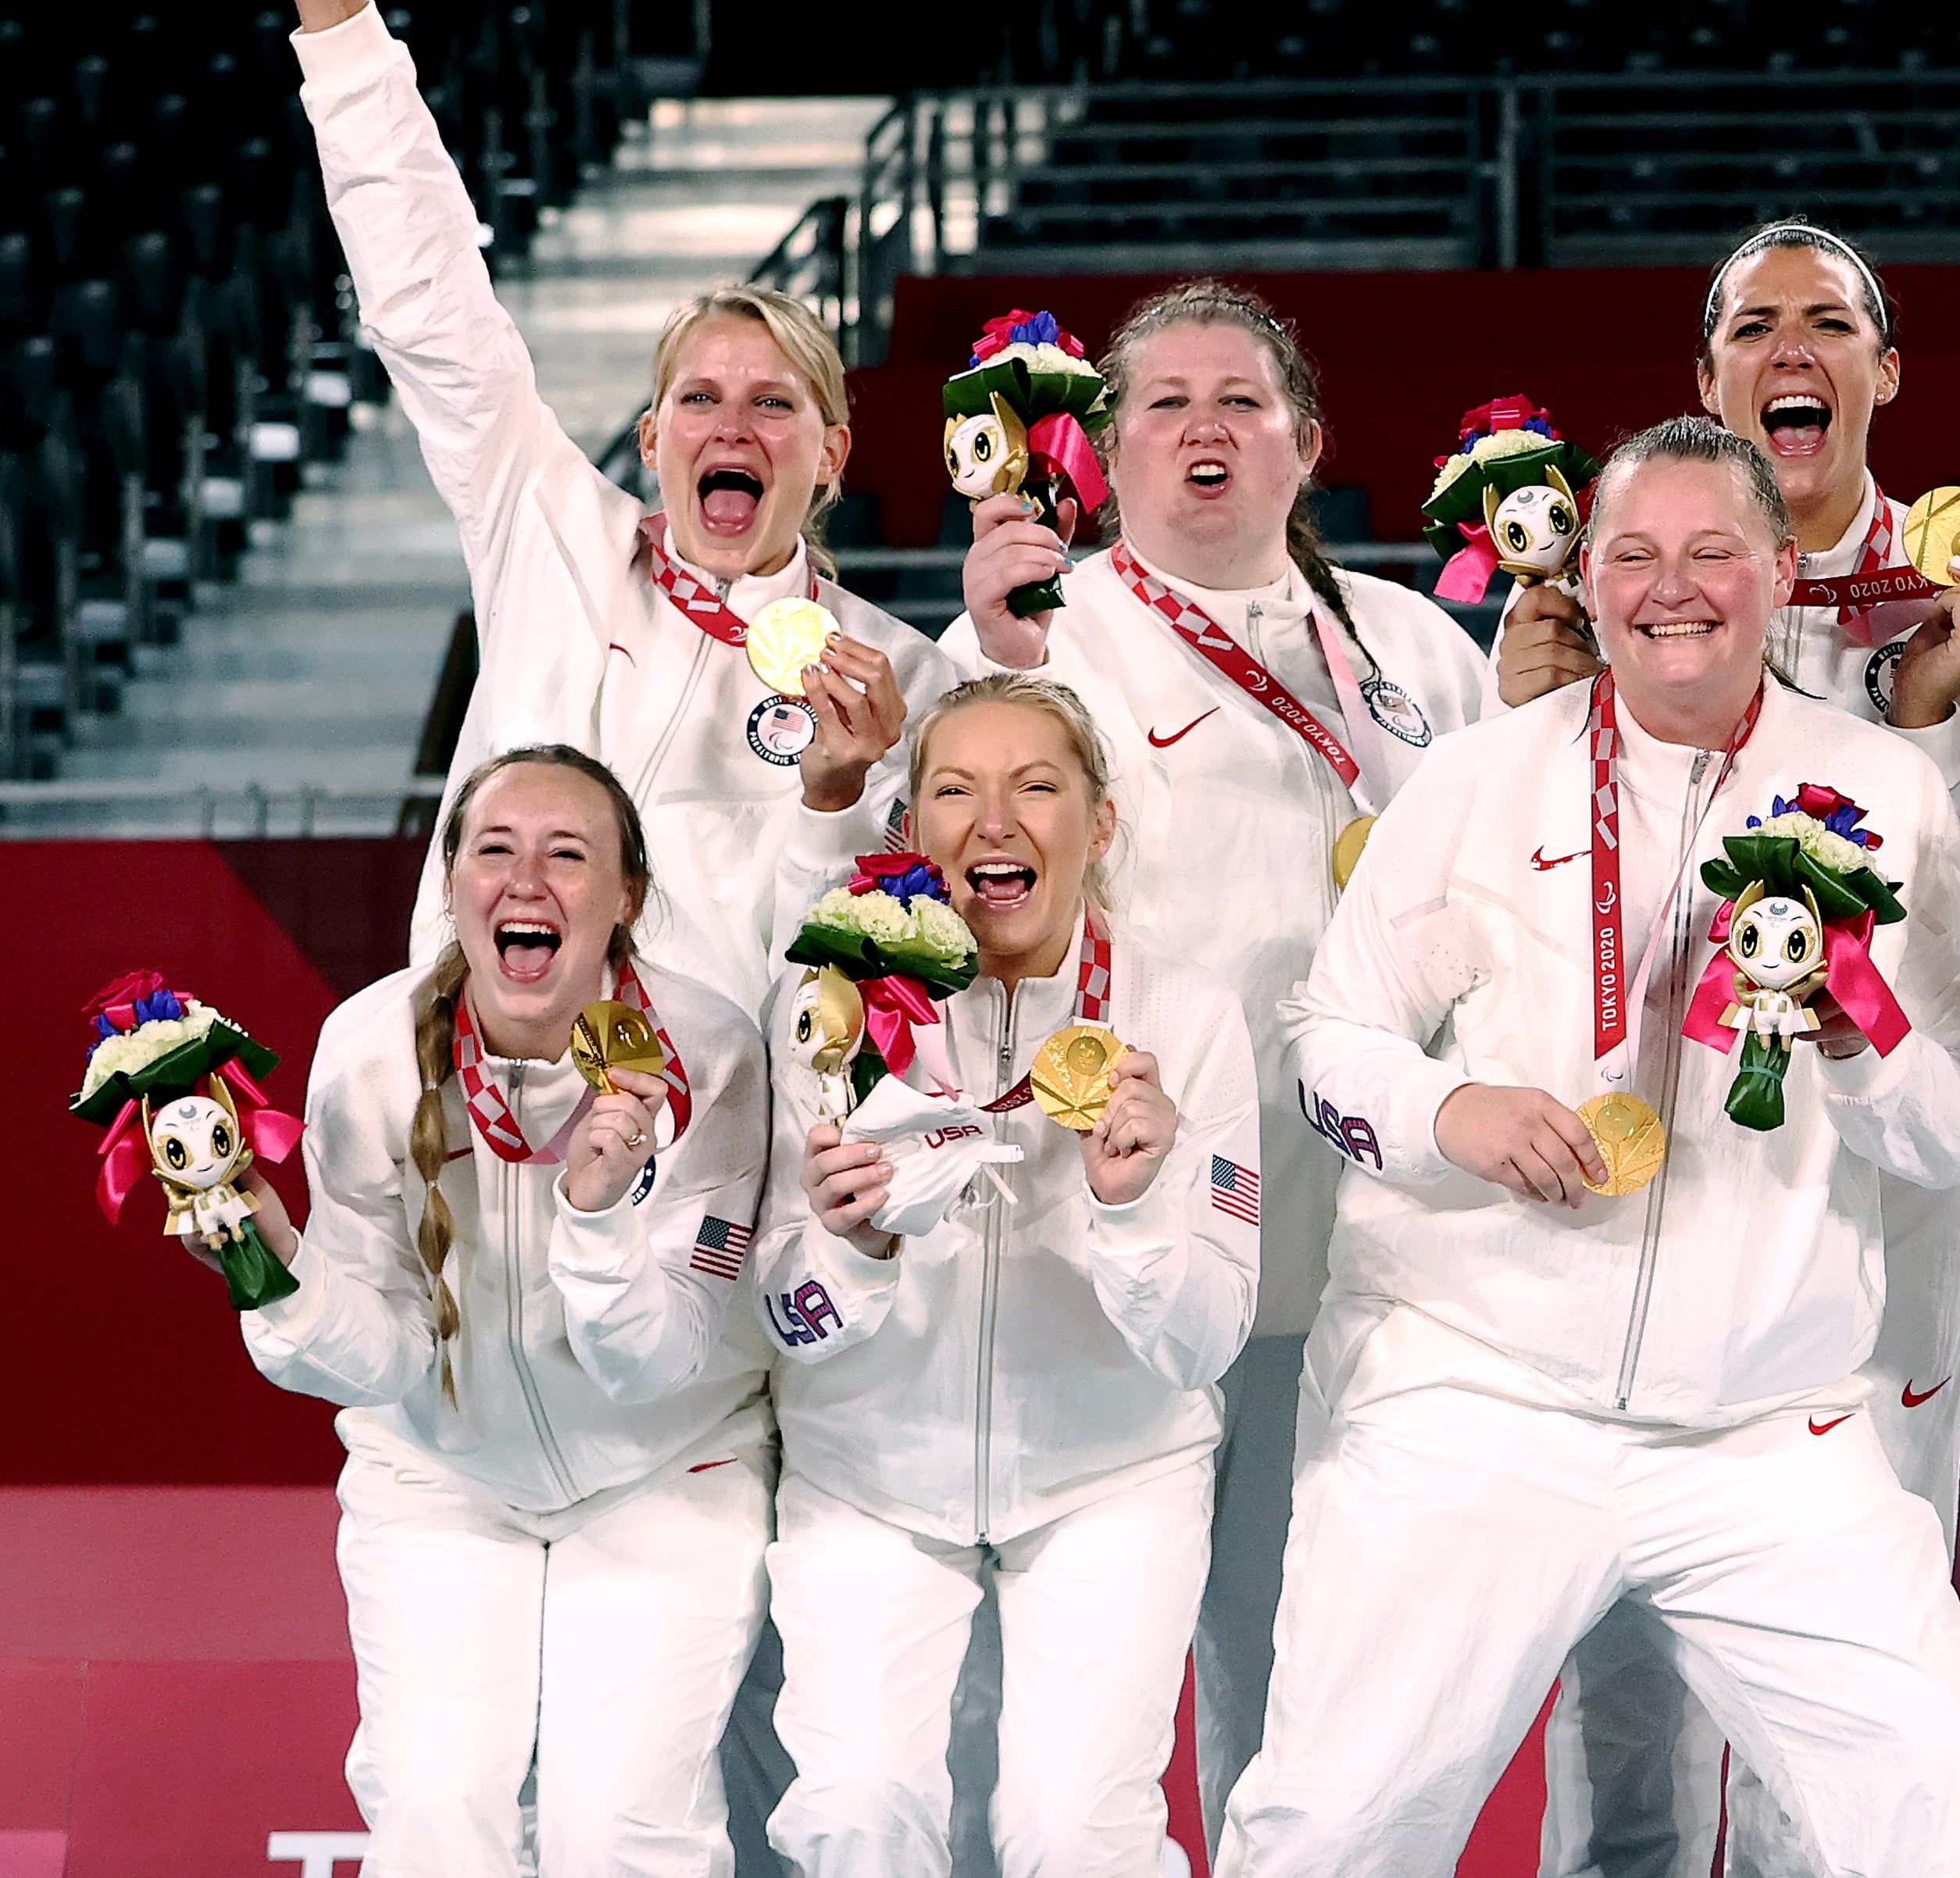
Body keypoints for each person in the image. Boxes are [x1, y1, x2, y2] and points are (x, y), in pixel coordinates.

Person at [1225, 419, 1960, 1875]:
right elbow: (1324, 1042)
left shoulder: (1884, 794)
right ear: (1583, 581)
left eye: (1715, 552)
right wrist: (1444, 1116)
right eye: (1637, 556)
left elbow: (1949, 1135)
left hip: (1766, 1426)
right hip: (1479, 1397)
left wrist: (1859, 1042)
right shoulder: (1476, 782)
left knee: (1946, 1785)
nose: (1677, 588)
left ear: (1782, 573)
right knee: (1332, 1824)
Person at [1492, 223, 1960, 1878]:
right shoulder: (1602, 604)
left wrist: (1940, 710)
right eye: (1755, 326)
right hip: (1647, 1164)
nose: (1789, 349)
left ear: (1887, 373)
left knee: (1855, 1637)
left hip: (1883, 1167)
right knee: (1631, 1641)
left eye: (1831, 323)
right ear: (1706, 378)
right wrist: (1508, 710)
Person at [221, 0, 948, 994]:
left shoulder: (904, 685)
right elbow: (427, 293)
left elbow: (906, 983)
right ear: (652, 438)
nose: (732, 429)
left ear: (832, 455)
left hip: (719, 1152)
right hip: (483, 1100)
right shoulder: (550, 526)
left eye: (774, 404)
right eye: (698, 399)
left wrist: (860, 793)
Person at [947, 278, 1494, 1819]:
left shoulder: (1411, 650)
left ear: (1304, 441)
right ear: (1105, 450)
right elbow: (929, 882)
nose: (1205, 428)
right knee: (1064, 1676)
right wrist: (993, 661)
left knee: (1300, 1650)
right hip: (1111, 1231)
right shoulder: (1042, 635)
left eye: (1239, 400)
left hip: (1353, 1244)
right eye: (1164, 402)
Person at [224, 744, 776, 1875]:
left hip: (667, 1469)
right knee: (433, 1815)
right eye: (495, 850)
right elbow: (376, 1352)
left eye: (567, 855)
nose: (526, 882)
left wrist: (594, 1214)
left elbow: (660, 1360)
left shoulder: (710, 1053)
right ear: (451, 886)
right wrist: (277, 1266)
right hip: (441, 1476)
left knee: (618, 1830)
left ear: (626, 898)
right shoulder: (371, 1050)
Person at [743, 673, 1259, 1876]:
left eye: (1037, 785)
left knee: (1075, 1833)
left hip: (1112, 1476)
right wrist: (851, 1249)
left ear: (1101, 823)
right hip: (867, 1475)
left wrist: (1130, 1215)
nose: (995, 820)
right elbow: (778, 1312)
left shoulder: (1185, 1016)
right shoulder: (825, 1008)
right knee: (855, 1817)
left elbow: (1204, 1346)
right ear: (910, 831)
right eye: (954, 790)